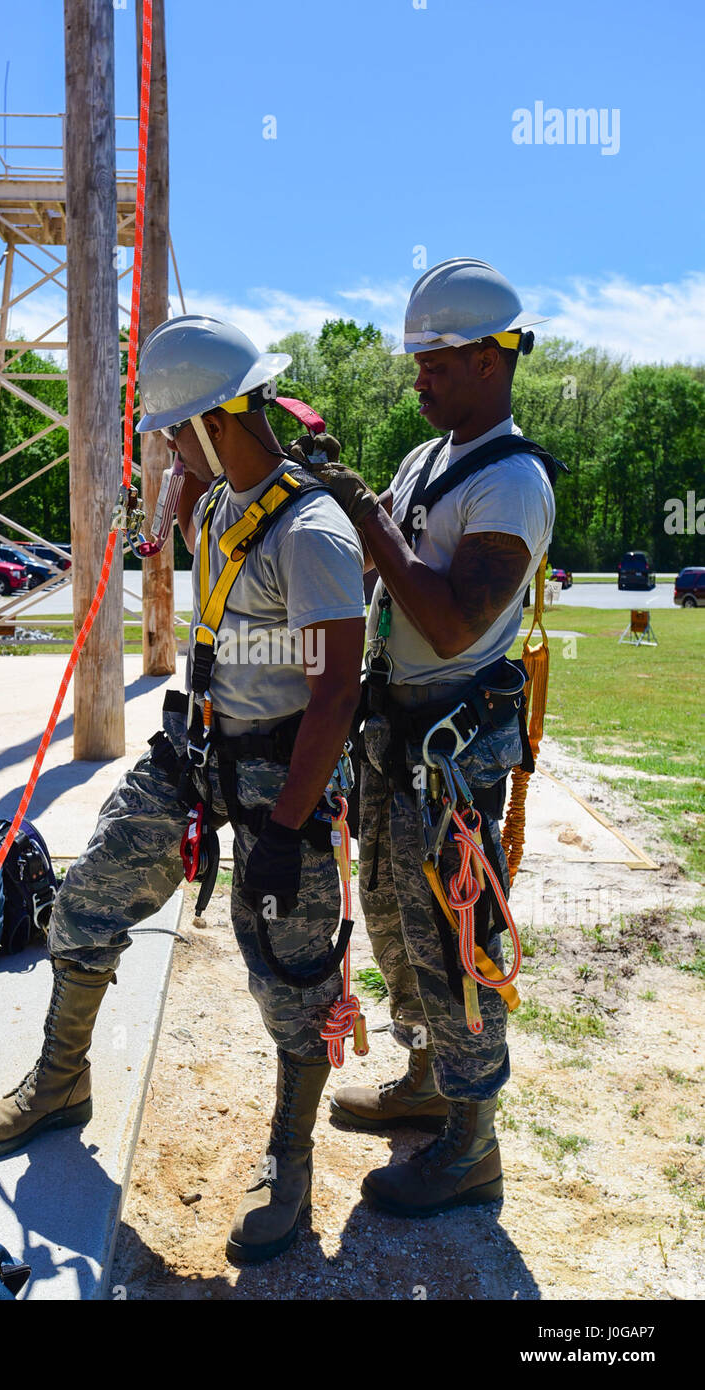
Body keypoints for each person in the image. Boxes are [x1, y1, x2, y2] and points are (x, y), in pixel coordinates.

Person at [0, 315, 366, 1264]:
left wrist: (288, 828)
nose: (168, 449)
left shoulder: (312, 532)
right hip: (198, 751)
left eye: (176, 431)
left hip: (283, 772)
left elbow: (336, 690)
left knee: (294, 975)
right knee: (89, 899)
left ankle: (289, 1162)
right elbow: (169, 537)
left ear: (220, 419)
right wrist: (177, 485)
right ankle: (62, 1082)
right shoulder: (224, 502)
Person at [307, 258, 563, 1217]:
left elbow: (455, 623)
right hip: (398, 734)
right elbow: (389, 584)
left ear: (492, 362)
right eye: (417, 361)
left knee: (457, 934)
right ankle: (428, 1079)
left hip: (454, 753)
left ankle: (471, 1141)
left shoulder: (512, 483)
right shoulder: (430, 459)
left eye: (436, 363)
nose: (418, 378)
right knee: (392, 915)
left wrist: (366, 515)